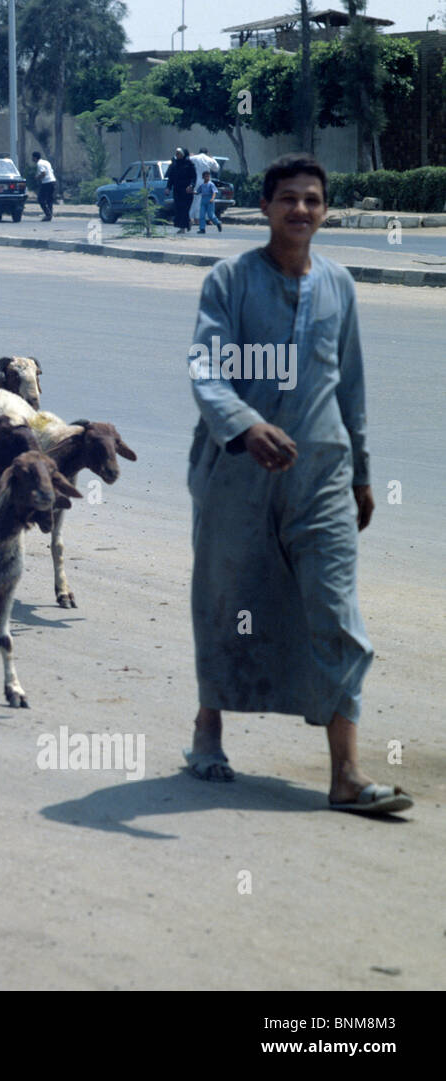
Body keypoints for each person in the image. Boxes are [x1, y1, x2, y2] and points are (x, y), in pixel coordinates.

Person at [185, 152, 410, 815]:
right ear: (264, 207)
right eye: (288, 198)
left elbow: (353, 387)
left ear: (326, 208)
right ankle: (208, 729)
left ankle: (345, 773)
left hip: (323, 479)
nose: (301, 210)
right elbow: (205, 369)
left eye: (313, 199)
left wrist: (361, 473)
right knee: (228, 600)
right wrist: (246, 426)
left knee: (337, 612)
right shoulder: (228, 282)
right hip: (236, 477)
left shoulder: (340, 286)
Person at [166, 147, 197, 233]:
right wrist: (168, 187)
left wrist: (191, 186)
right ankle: (185, 225)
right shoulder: (174, 165)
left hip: (187, 190)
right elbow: (171, 178)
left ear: (183, 154)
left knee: (185, 208)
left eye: (179, 153)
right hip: (177, 190)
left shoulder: (189, 164)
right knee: (179, 208)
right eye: (176, 153)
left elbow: (194, 177)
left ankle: (184, 226)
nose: (177, 155)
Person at [31, 151, 55, 221]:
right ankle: (50, 215)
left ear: (35, 158)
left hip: (46, 182)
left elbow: (43, 173)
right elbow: (51, 171)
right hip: (53, 181)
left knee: (40, 199)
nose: (32, 159)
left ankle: (48, 214)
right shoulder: (46, 162)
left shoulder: (39, 164)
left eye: (32, 157)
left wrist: (37, 177)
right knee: (49, 200)